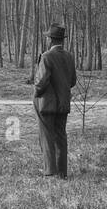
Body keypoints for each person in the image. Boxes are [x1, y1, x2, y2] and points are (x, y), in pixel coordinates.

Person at [33, 24, 77, 179]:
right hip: (63, 104)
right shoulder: (69, 57)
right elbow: (72, 81)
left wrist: (37, 92)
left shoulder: (46, 57)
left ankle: (50, 172)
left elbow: (40, 82)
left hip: (46, 105)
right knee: (61, 138)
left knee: (46, 138)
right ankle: (62, 172)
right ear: (62, 40)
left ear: (50, 40)